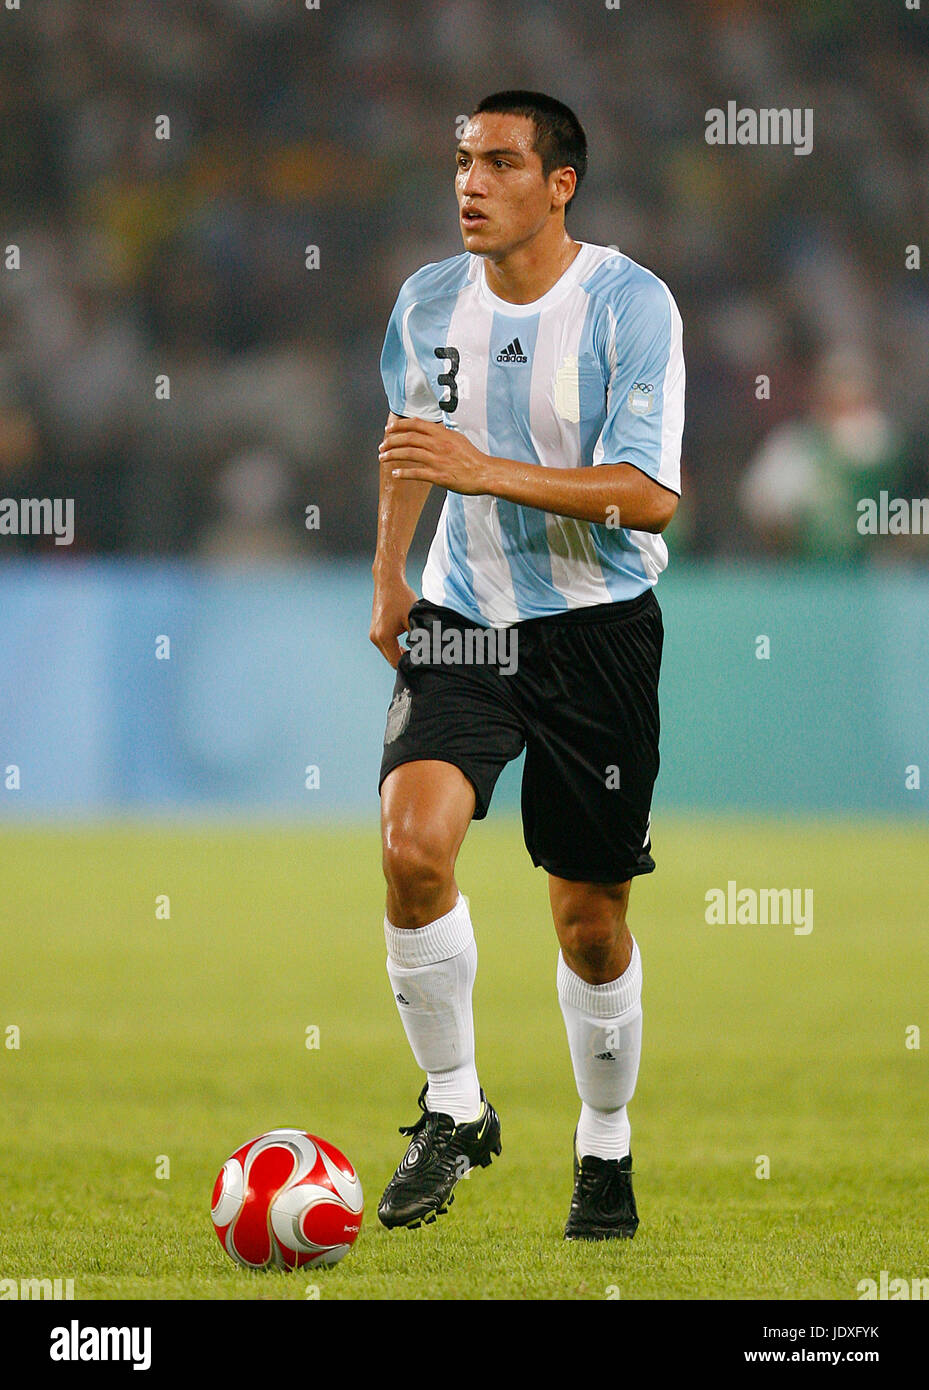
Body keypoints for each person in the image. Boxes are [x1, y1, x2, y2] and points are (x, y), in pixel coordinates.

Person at [370, 90, 685, 1240]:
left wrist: (485, 469)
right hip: (464, 615)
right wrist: (389, 579)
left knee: (587, 923)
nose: (468, 182)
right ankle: (453, 1107)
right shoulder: (423, 302)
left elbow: (647, 495)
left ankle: (603, 1141)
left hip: (595, 632)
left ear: (559, 184)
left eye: (499, 162)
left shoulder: (626, 303)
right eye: (460, 159)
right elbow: (412, 444)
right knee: (411, 847)